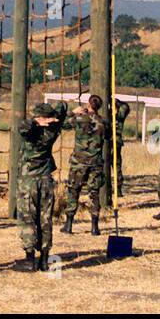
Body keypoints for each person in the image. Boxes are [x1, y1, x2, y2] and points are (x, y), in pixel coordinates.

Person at [16, 100, 67, 271]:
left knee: (27, 218)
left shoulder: (30, 132)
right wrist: (53, 118)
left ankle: (30, 259)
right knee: (45, 219)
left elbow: (22, 127)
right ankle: (45, 259)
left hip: (28, 181)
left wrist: (37, 122)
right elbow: (62, 107)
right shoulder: (52, 131)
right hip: (45, 180)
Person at [62, 95, 107, 236]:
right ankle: (95, 227)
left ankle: (69, 225)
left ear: (89, 104)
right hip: (96, 162)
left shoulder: (79, 119)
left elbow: (63, 124)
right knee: (94, 193)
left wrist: (73, 112)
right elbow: (108, 136)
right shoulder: (103, 122)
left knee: (73, 191)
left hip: (79, 162)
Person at [113, 98, 130, 196]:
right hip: (104, 141)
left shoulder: (120, 112)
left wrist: (117, 102)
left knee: (116, 165)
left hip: (115, 141)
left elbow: (125, 107)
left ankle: (118, 188)